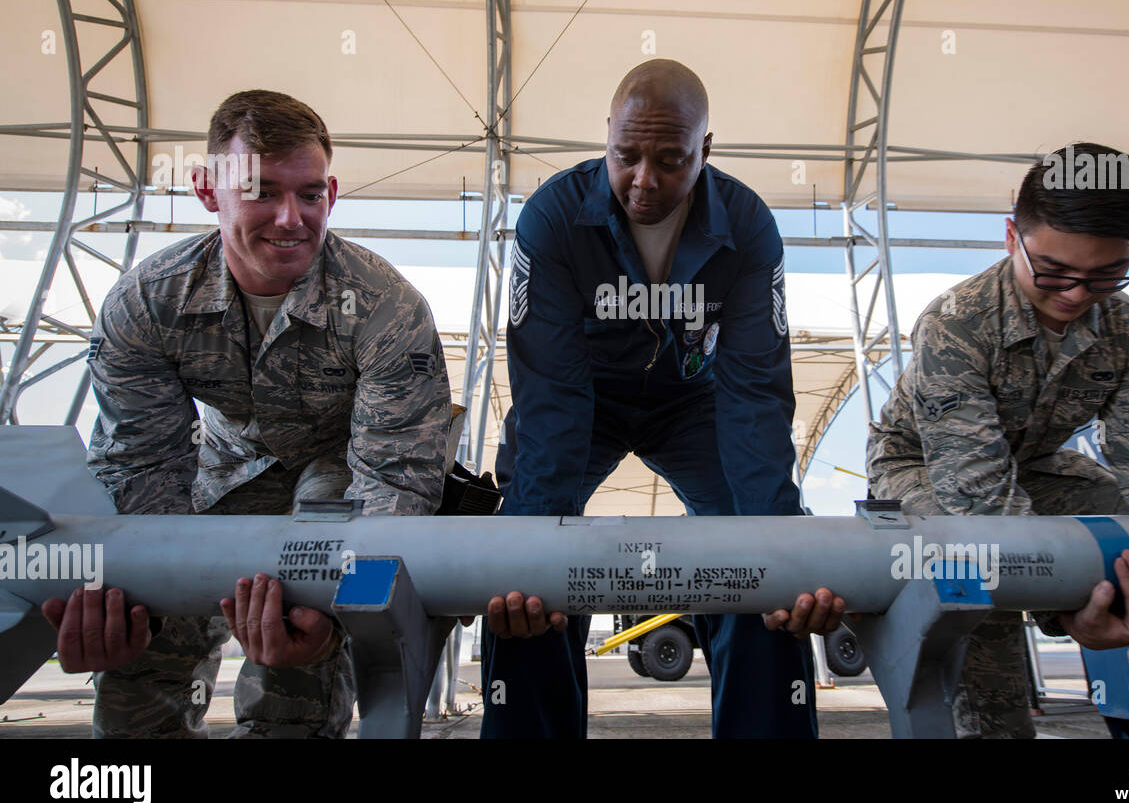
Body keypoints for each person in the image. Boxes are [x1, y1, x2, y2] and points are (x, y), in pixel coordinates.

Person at [40, 90, 452, 738]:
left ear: (332, 193)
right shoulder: (148, 304)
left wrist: (340, 620)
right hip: (210, 486)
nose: (290, 218)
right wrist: (129, 604)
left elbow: (393, 493)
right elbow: (140, 469)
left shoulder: (386, 309)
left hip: (335, 503)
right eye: (261, 190)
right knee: (133, 703)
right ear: (207, 189)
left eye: (309, 193)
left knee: (298, 698)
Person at [866, 142, 1129, 738]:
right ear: (1011, 237)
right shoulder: (956, 322)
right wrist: (1069, 607)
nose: (1074, 294)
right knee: (969, 571)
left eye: (1104, 276)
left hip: (1038, 468)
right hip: (923, 468)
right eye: (1053, 271)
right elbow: (977, 491)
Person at [480, 59, 843, 738]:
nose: (644, 180)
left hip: (691, 403)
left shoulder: (748, 225)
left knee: (760, 563)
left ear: (706, 150)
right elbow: (550, 398)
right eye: (627, 155)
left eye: (672, 159)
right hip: (582, 398)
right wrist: (530, 549)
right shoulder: (552, 219)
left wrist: (782, 544)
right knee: (527, 569)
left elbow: (756, 395)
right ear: (606, 137)